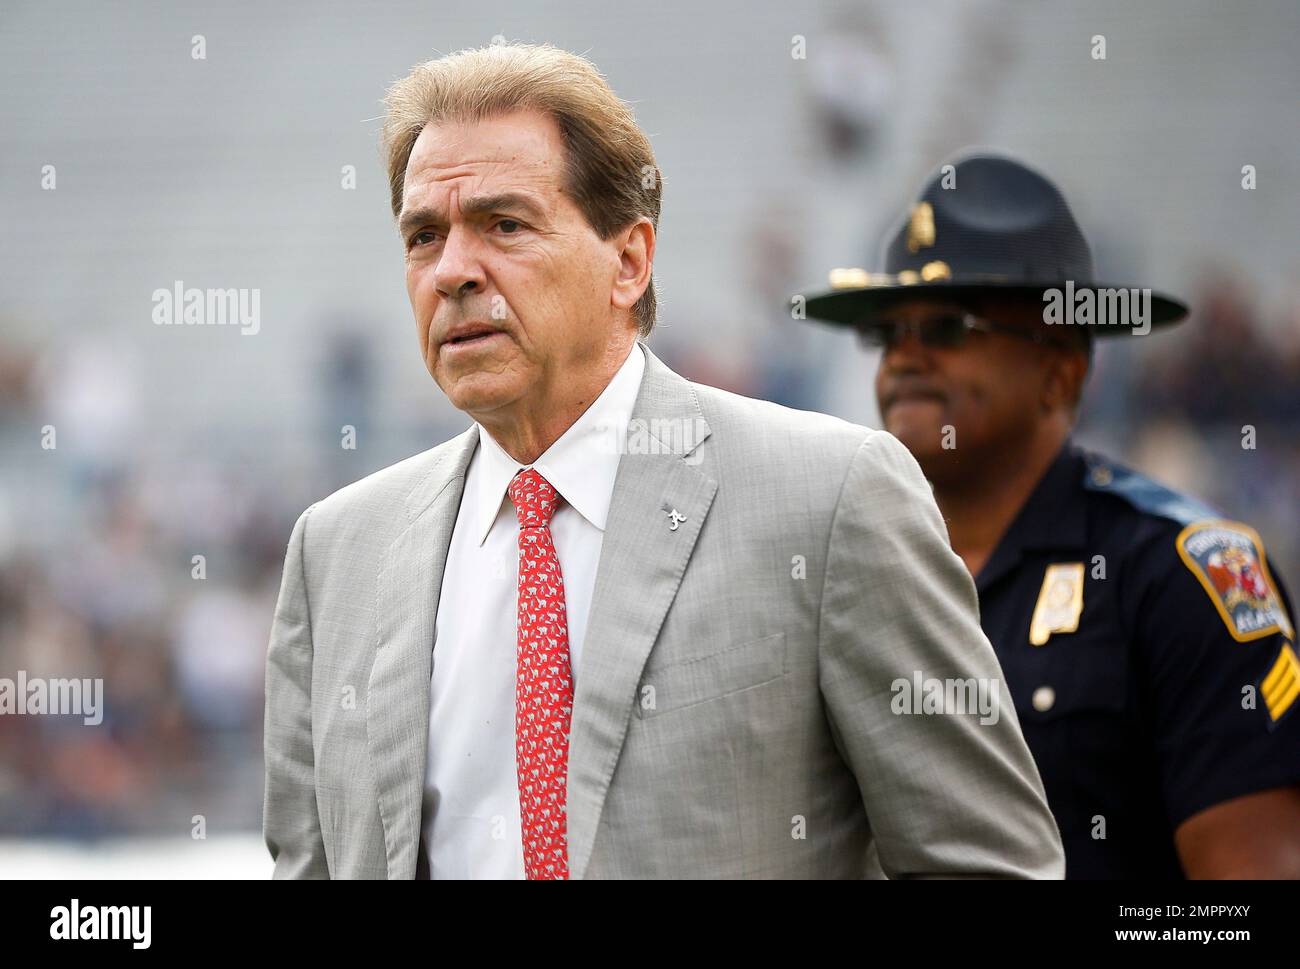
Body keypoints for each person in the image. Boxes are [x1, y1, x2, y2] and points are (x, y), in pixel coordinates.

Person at [262, 46, 1063, 879]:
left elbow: (988, 864)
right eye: (424, 236)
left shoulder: (831, 499)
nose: (455, 270)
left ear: (630, 261)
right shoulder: (336, 553)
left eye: (505, 223)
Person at [803, 153, 1300, 878]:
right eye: (888, 333)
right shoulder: (833, 573)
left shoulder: (1176, 574)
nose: (903, 358)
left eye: (945, 327)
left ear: (1060, 370)